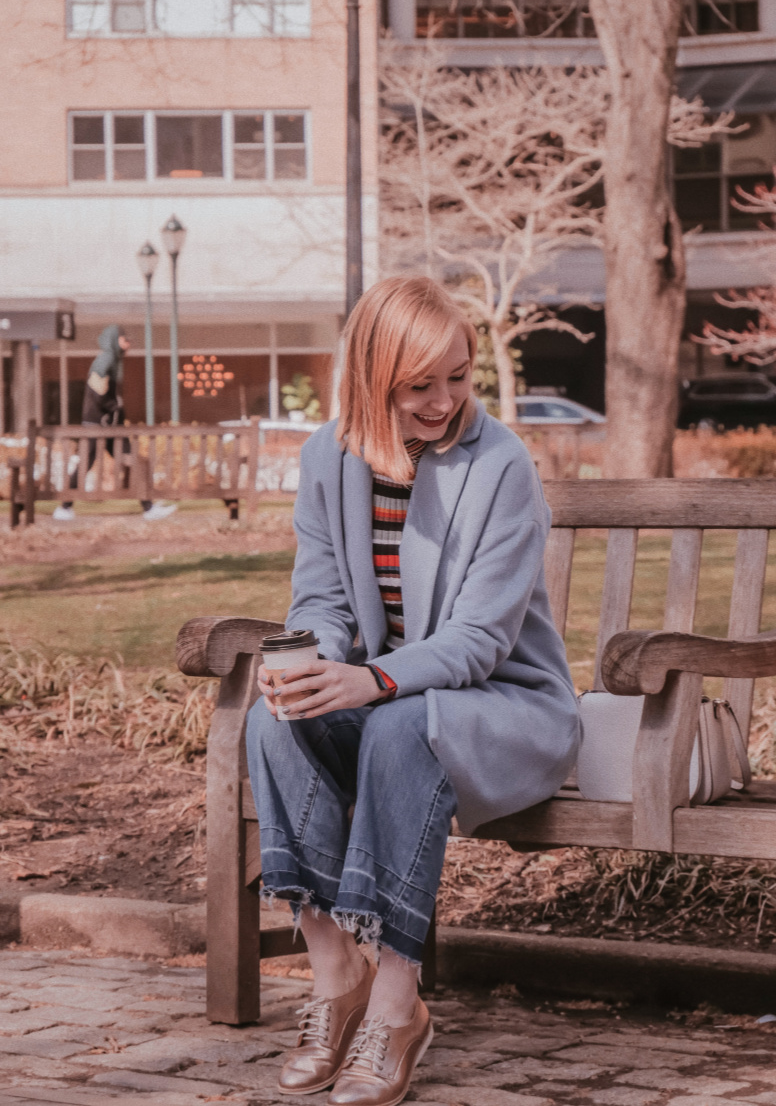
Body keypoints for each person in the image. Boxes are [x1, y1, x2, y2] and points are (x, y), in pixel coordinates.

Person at [245, 276, 580, 1106]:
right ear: (371, 380)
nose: (444, 402)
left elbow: (478, 641)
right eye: (418, 385)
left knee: (398, 729)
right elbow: (321, 599)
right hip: (397, 696)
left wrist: (372, 676)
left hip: (504, 706)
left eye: (459, 377)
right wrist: (305, 660)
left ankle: (397, 1004)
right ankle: (335, 972)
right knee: (273, 716)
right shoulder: (329, 456)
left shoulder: (500, 463)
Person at [53, 325, 176, 522]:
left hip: (105, 425)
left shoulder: (112, 360)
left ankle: (148, 507)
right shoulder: (106, 359)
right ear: (115, 340)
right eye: (125, 340)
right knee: (90, 463)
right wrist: (114, 406)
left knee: (115, 461)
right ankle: (64, 508)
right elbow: (97, 390)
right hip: (100, 425)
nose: (129, 344)